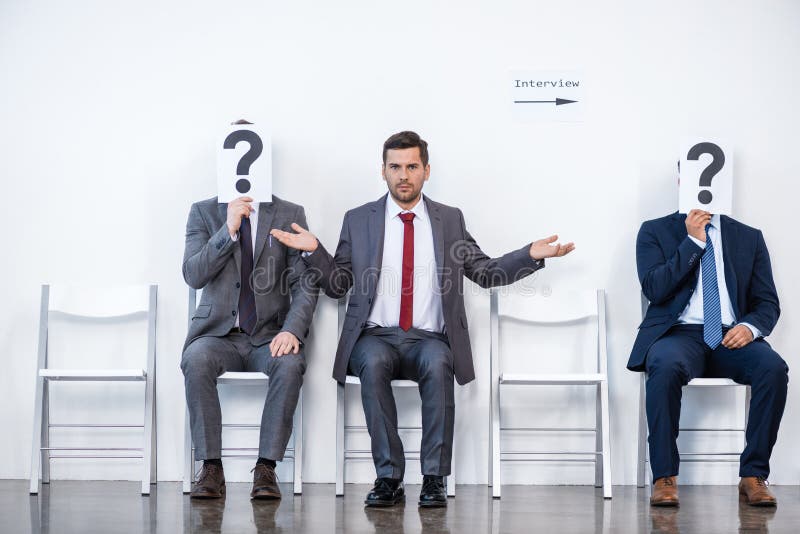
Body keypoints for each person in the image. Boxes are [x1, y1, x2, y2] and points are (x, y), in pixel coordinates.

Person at [271, 130, 574, 507]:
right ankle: (388, 478)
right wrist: (315, 251)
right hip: (375, 336)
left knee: (438, 361)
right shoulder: (358, 219)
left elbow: (485, 272)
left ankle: (433, 478)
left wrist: (529, 254)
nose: (403, 175)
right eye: (395, 166)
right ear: (382, 171)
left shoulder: (449, 219)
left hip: (429, 338)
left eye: (412, 166)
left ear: (426, 171)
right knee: (373, 361)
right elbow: (339, 285)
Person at [630, 205, 788, 507]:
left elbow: (767, 302)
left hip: (731, 335)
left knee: (773, 367)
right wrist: (693, 241)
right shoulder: (654, 230)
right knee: (662, 364)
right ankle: (664, 476)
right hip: (679, 334)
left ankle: (753, 475)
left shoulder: (749, 237)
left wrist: (750, 327)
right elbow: (655, 289)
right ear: (682, 179)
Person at [181, 173, 317, 500]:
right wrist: (227, 229)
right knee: (195, 360)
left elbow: (305, 284)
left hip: (269, 335)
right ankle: (211, 467)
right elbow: (193, 274)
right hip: (217, 335)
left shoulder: (289, 213)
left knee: (289, 364)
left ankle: (266, 469)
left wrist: (292, 330)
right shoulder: (203, 212)